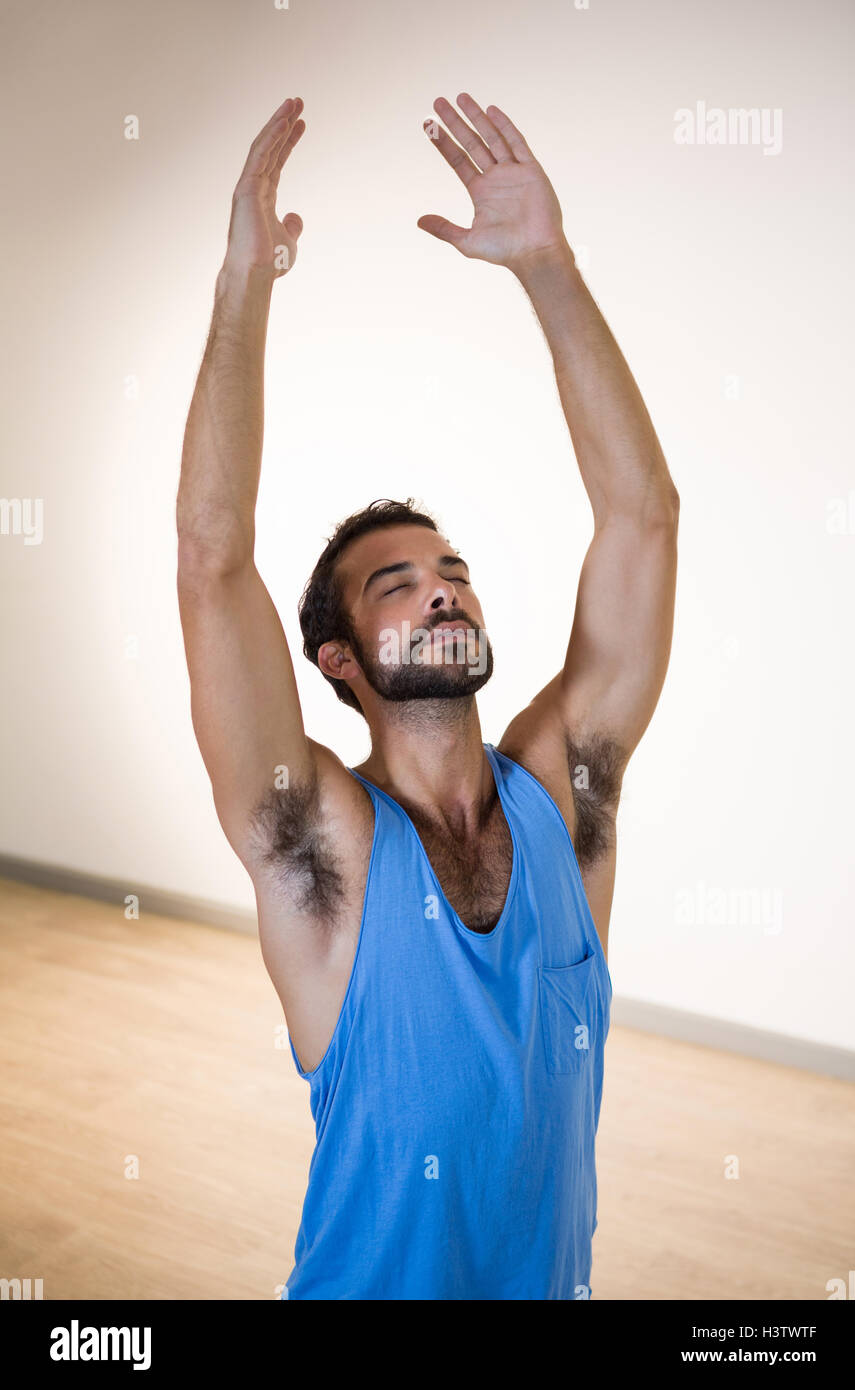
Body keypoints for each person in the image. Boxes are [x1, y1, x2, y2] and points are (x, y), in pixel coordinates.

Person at [176, 93, 679, 1300]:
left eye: (451, 571)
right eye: (394, 586)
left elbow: (642, 518)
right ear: (340, 660)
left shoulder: (568, 795)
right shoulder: (324, 847)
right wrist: (245, 288)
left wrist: (546, 268)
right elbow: (210, 553)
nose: (442, 591)